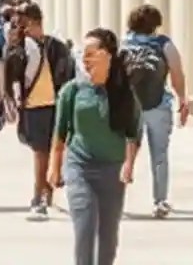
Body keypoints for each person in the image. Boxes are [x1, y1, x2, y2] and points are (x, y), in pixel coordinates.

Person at [49, 28, 141, 265]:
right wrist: (54, 167)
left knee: (108, 238)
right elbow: (60, 134)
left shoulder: (124, 93)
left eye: (91, 52)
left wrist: (129, 164)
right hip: (80, 167)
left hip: (113, 170)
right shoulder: (73, 90)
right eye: (83, 53)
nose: (85, 58)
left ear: (108, 55)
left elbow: (133, 133)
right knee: (85, 227)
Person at [2, 1, 75, 220]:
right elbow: (11, 73)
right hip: (33, 105)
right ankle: (42, 193)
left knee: (49, 150)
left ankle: (42, 193)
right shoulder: (21, 47)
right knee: (41, 151)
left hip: (55, 104)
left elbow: (66, 76)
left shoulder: (56, 47)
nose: (19, 28)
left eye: (23, 23)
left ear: (34, 23)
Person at [120, 3, 188, 218]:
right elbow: (177, 73)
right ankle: (160, 201)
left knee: (122, 153)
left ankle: (117, 198)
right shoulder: (164, 44)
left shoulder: (123, 44)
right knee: (159, 154)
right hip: (158, 104)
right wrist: (183, 99)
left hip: (129, 106)